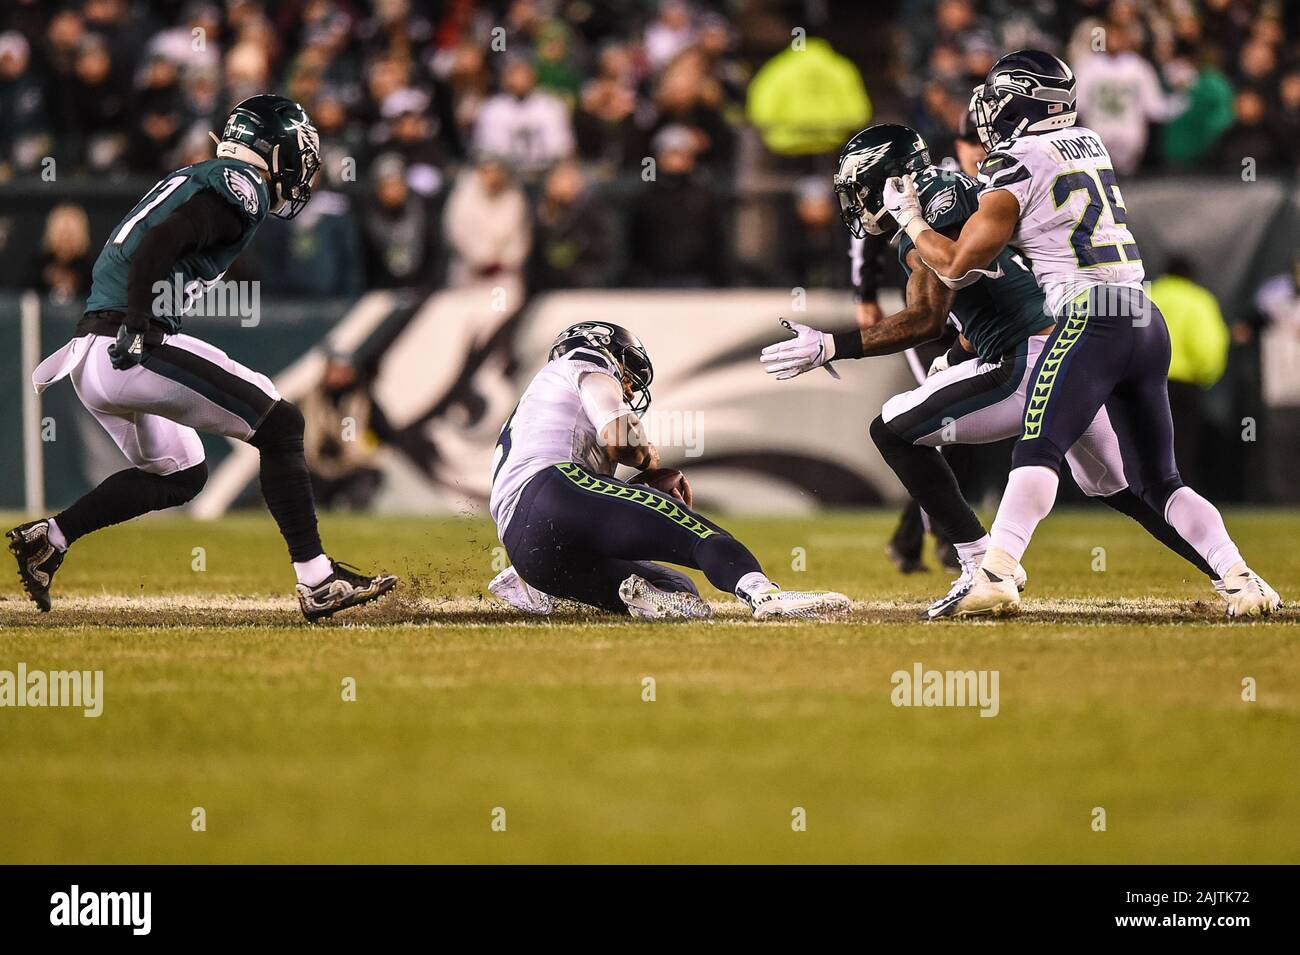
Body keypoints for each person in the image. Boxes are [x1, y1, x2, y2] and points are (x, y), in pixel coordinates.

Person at [761, 122, 1219, 619]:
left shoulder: (931, 208)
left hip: (1027, 361)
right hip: (1069, 351)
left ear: (886, 178)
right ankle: (1235, 576)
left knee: (893, 430)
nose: (855, 202)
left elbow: (926, 316)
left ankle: (979, 562)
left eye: (859, 187)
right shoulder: (956, 187)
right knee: (1126, 488)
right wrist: (956, 356)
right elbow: (990, 294)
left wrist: (834, 344)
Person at [882, 50, 1279, 618]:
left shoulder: (1015, 161)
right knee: (1161, 481)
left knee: (1038, 448)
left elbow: (956, 265)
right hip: (1143, 314)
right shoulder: (1089, 142)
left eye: (997, 97)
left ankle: (994, 573)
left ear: (1020, 102)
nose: (988, 109)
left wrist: (913, 220)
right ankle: (1242, 580)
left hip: (1091, 318)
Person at [6, 95, 396, 622]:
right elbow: (159, 243)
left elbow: (140, 246)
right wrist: (140, 324)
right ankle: (318, 580)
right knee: (280, 425)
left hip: (93, 352)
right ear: (273, 149)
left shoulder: (199, 174)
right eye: (299, 152)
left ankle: (50, 538)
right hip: (129, 345)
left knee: (181, 474)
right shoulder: (242, 185)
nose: (303, 167)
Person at [488, 322, 849, 620]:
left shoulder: (537, 408)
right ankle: (764, 595)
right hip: (555, 490)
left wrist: (640, 491)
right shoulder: (586, 360)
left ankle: (530, 588)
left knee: (680, 596)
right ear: (606, 349)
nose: (628, 388)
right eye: (630, 373)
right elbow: (621, 439)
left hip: (530, 549)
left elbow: (593, 509)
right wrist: (649, 463)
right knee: (699, 533)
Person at [1148, 256, 1230, 490]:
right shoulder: (1198, 300)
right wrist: (1205, 376)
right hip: (1183, 384)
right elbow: (1207, 345)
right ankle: (1178, 495)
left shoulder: (1147, 296)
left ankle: (1143, 494)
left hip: (1144, 380)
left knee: (1146, 441)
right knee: (1182, 444)